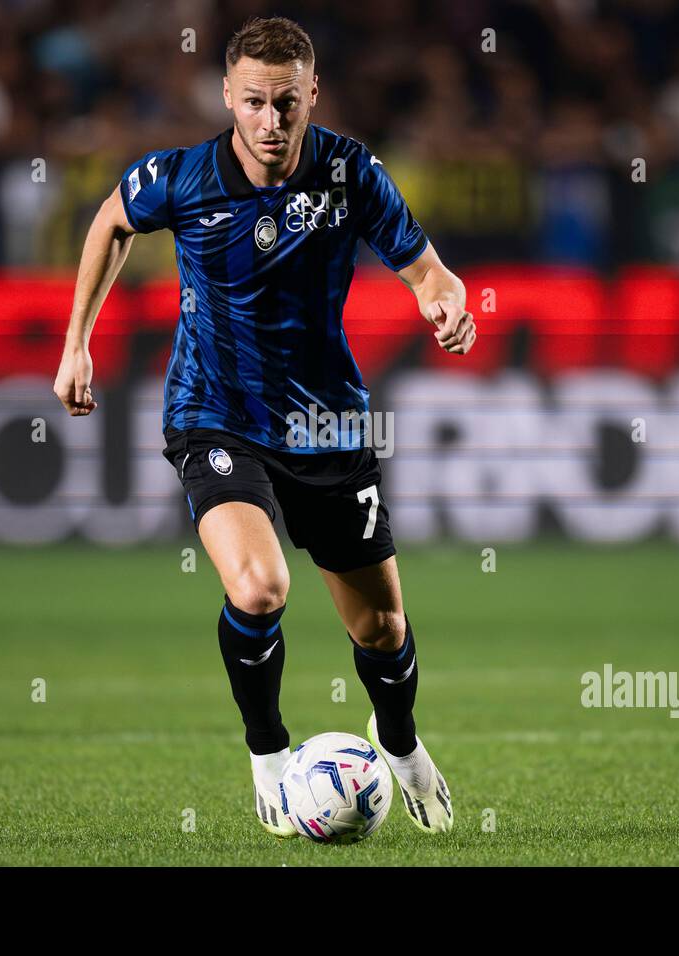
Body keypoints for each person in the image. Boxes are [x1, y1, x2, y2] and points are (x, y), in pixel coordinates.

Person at [54, 16, 474, 836]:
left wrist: (445, 304)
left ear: (313, 93)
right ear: (227, 97)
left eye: (287, 103)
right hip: (215, 416)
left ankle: (401, 743)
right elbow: (109, 223)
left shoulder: (352, 174)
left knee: (381, 629)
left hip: (326, 427)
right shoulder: (177, 177)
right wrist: (77, 344)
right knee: (259, 586)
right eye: (254, 103)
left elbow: (431, 271)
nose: (272, 122)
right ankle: (268, 756)